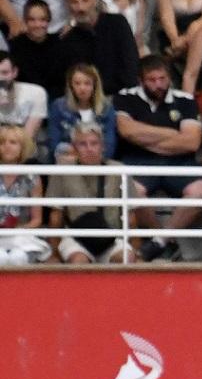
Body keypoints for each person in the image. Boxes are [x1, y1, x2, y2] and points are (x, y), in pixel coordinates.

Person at [113, 55, 202, 261]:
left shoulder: (185, 100)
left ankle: (159, 241)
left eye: (162, 79)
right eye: (152, 80)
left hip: (180, 162)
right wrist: (172, 134)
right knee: (131, 190)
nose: (158, 85)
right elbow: (127, 131)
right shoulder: (125, 97)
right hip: (138, 160)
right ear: (141, 80)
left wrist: (144, 138)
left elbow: (191, 142)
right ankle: (161, 238)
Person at [47, 122, 131, 264]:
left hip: (111, 237)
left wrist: (135, 252)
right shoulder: (62, 170)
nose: (89, 148)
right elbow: (56, 216)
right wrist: (54, 254)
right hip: (75, 238)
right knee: (79, 260)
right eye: (82, 144)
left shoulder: (119, 170)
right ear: (74, 148)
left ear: (103, 146)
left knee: (126, 258)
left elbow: (131, 217)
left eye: (94, 143)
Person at [56, 0, 140, 96]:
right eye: (74, 2)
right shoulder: (68, 39)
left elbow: (131, 64)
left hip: (122, 95)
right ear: (68, 6)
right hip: (87, 99)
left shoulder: (117, 23)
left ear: (94, 1)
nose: (81, 8)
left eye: (85, 0)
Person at [45, 63, 116, 163]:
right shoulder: (58, 106)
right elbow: (54, 144)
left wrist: (89, 156)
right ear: (71, 86)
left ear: (95, 85)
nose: (82, 88)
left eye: (87, 83)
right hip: (68, 160)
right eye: (77, 83)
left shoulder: (106, 108)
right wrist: (79, 155)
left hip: (99, 161)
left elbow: (109, 144)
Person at [0, 125, 49, 263]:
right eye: (2, 142)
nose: (7, 146)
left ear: (22, 147)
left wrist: (16, 230)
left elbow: (36, 220)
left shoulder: (32, 177)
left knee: (18, 256)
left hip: (21, 235)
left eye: (13, 142)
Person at [0, 51, 50, 145]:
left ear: (15, 72)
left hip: (25, 147)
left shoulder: (36, 93)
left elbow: (27, 138)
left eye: (4, 73)